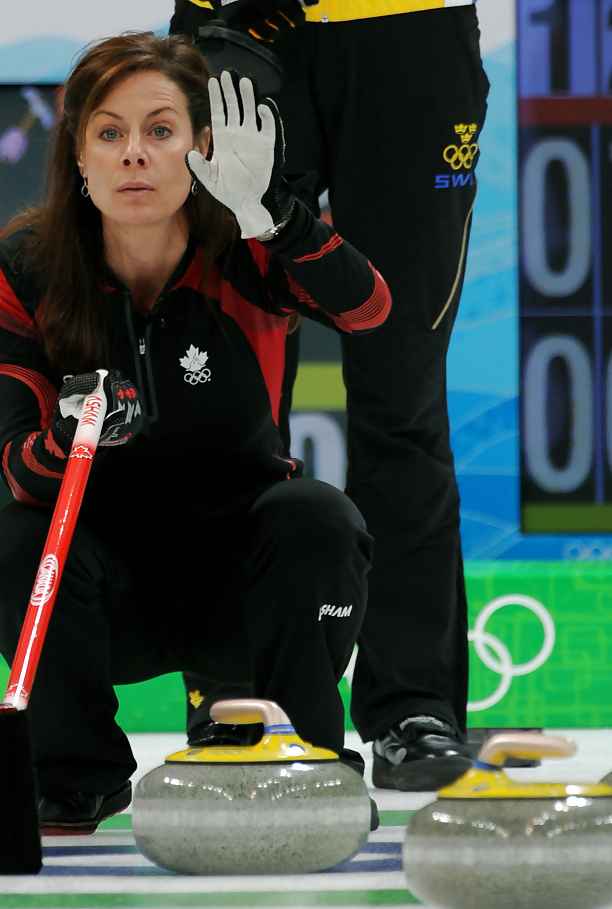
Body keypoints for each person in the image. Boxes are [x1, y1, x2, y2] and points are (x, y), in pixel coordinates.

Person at [0, 30, 391, 835]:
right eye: (110, 132)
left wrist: (281, 220)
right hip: (109, 592)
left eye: (160, 130)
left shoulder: (250, 245)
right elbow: (21, 470)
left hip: (245, 590)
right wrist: (73, 434)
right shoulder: (20, 269)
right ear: (79, 154)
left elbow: (370, 310)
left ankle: (306, 754)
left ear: (202, 145)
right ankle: (75, 770)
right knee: (11, 542)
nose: (135, 154)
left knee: (322, 518)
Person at [170, 0, 490, 791]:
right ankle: (237, 692)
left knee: (403, 386)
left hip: (406, 25)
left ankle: (414, 706)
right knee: (228, 381)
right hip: (233, 16)